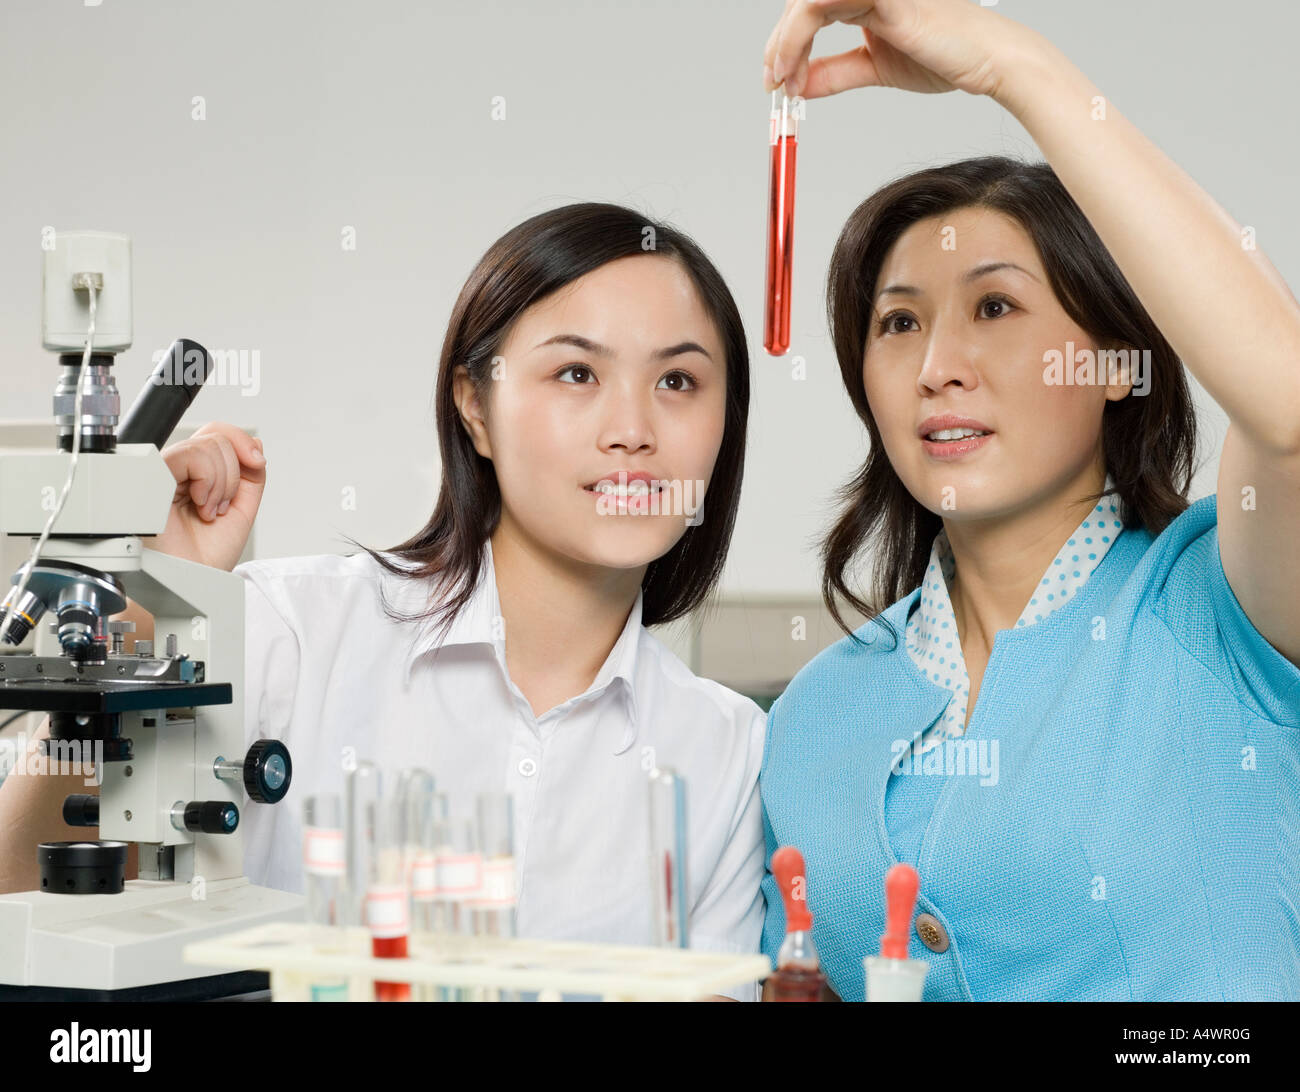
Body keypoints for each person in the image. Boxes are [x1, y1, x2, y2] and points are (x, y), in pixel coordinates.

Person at [0, 203, 766, 1001]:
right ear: (476, 408)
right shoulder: (286, 634)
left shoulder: (725, 750)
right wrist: (146, 628)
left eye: (678, 380)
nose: (632, 429)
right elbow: (19, 901)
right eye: (576, 372)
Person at [757, 0, 1300, 1000]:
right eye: (897, 323)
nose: (937, 366)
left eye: (995, 308)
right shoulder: (812, 715)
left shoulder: (1228, 606)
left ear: (1112, 360)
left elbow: (1289, 403)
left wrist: (1016, 70)